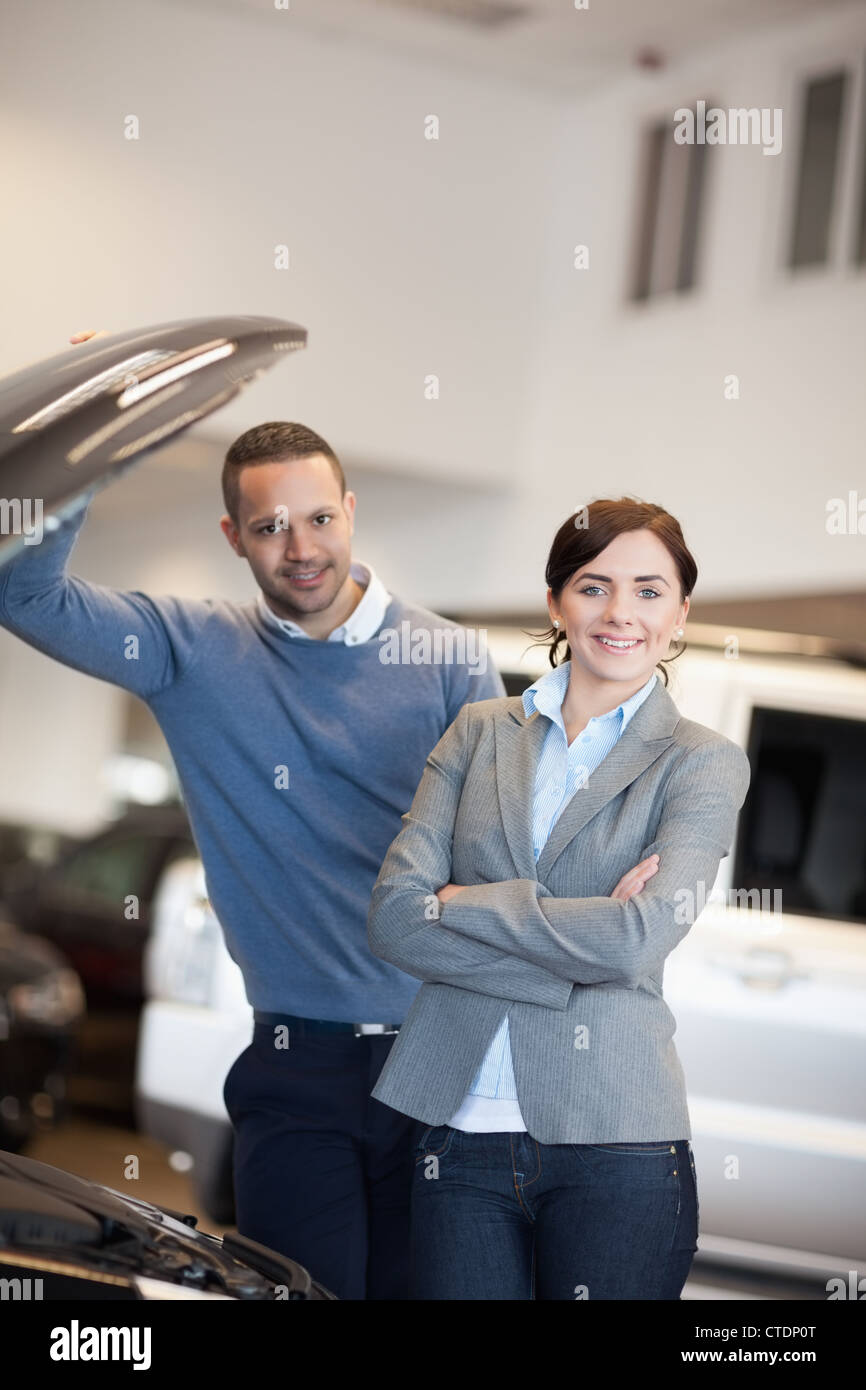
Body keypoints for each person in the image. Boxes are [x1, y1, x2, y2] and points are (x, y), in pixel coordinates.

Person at [0, 330, 505, 1300]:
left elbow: (484, 860)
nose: (301, 547)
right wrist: (103, 441)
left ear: (351, 510)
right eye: (270, 527)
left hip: (442, 1059)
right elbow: (23, 590)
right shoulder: (188, 649)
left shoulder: (448, 660)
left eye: (319, 517)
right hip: (295, 1064)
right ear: (233, 536)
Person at [366, 497, 752, 1300]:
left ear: (680, 614)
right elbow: (396, 919)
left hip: (619, 1143)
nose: (620, 614)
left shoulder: (702, 764)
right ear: (555, 601)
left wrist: (464, 900)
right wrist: (576, 949)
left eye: (649, 591)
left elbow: (634, 943)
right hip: (458, 1132)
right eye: (593, 586)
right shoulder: (477, 732)